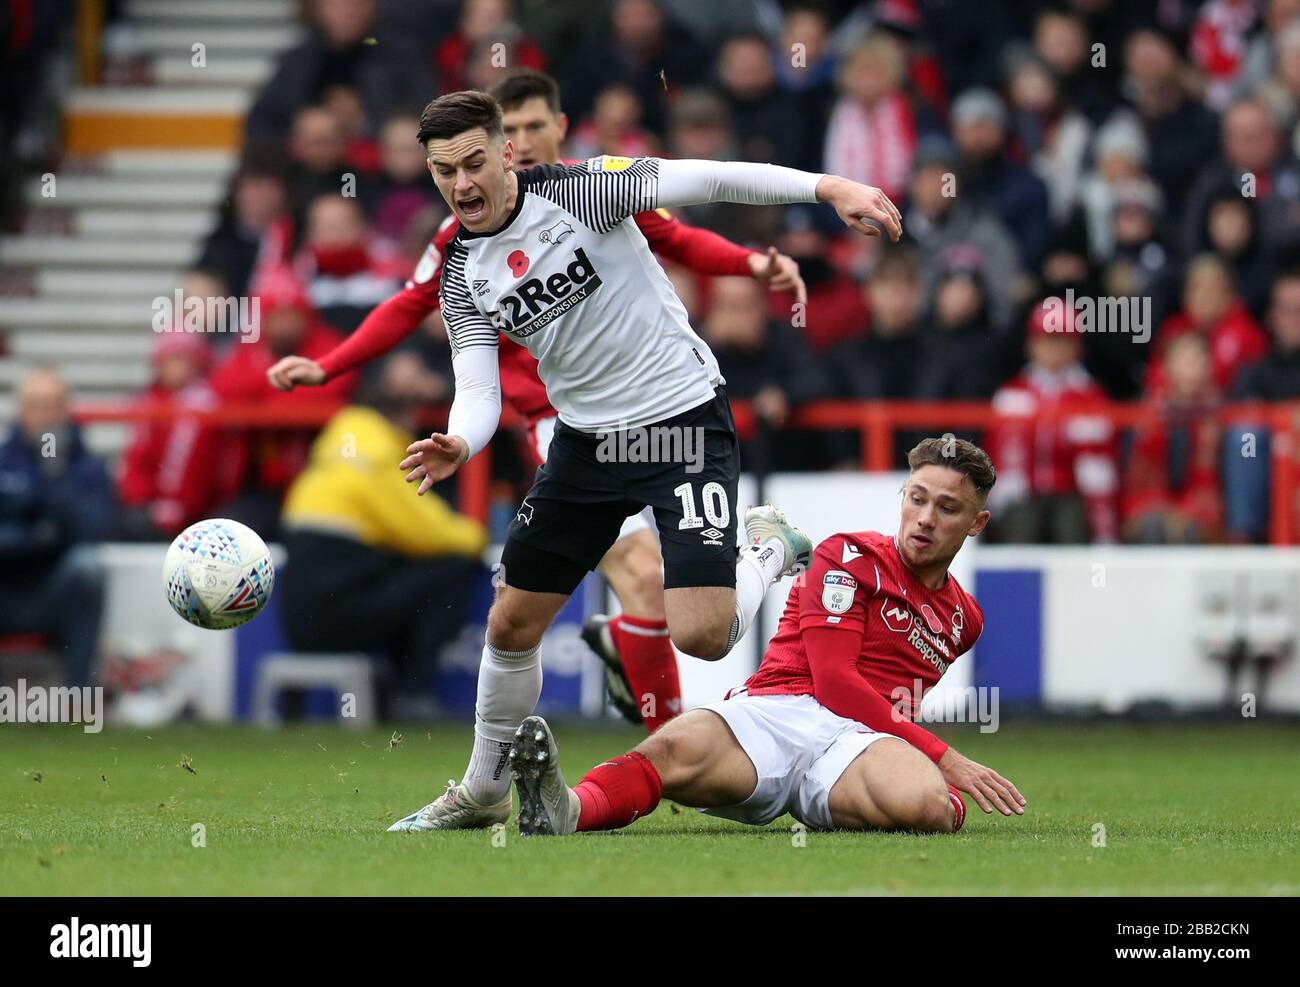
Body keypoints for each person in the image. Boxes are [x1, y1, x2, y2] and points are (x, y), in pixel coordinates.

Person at [385, 86, 901, 832]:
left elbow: (715, 177)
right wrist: (461, 439)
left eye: (473, 162)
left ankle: (764, 547)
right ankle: (480, 790)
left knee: (702, 632)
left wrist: (830, 188)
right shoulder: (462, 272)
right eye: (443, 172)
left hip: (680, 418)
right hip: (587, 443)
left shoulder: (587, 192)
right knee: (510, 621)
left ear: (505, 152)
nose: (462, 184)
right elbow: (478, 388)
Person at [267, 69, 807, 735]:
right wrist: (329, 364)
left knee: (685, 613)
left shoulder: (592, 190)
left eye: (524, 129)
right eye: (455, 164)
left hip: (667, 408)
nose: (509, 146)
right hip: (563, 425)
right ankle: (660, 742)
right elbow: (411, 306)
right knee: (631, 576)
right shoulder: (459, 250)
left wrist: (750, 263)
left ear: (547, 134)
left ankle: (641, 660)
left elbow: (677, 233)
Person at [507, 438, 1027, 836]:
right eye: (917, 499)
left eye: (947, 509)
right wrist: (944, 756)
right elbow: (834, 682)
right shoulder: (849, 556)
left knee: (927, 807)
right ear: (903, 496)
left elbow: (882, 700)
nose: (926, 519)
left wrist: (922, 768)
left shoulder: (965, 618)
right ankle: (567, 809)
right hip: (779, 711)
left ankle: (838, 801)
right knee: (669, 748)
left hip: (861, 743)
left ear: (976, 523)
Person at [280, 352, 487, 713]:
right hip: (336, 615)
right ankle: (413, 693)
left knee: (403, 568)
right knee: (452, 565)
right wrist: (477, 538)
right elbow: (423, 529)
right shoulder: (374, 450)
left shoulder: (340, 438)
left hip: (303, 614)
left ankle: (388, 693)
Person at [0, 368, 116, 687]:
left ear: (66, 410)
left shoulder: (87, 467)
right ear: (20, 411)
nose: (44, 415)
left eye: (51, 405)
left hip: (56, 589)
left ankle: (78, 696)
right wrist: (39, 534)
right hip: (8, 586)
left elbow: (97, 528)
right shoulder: (3, 462)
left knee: (88, 567)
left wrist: (50, 486)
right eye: (35, 405)